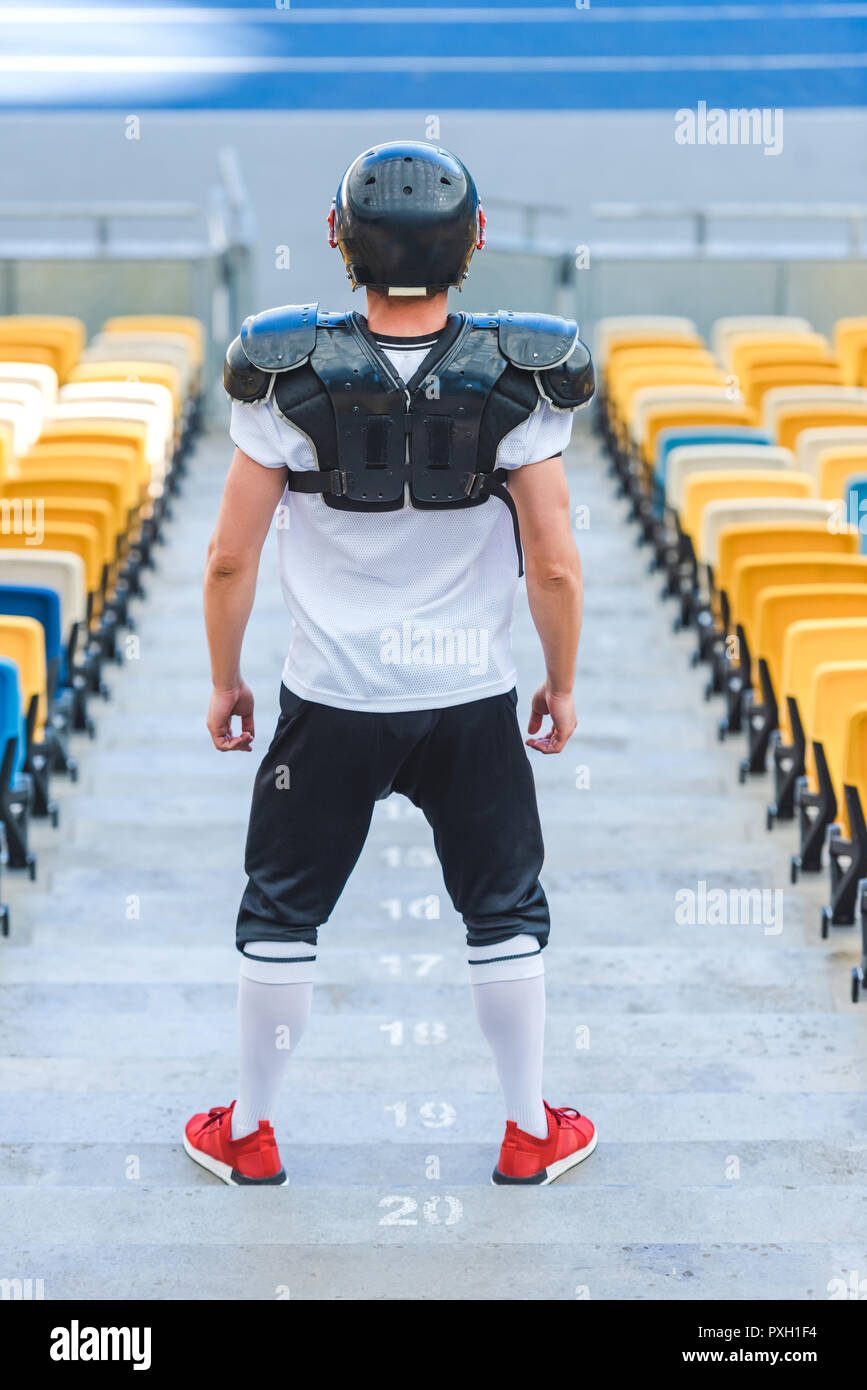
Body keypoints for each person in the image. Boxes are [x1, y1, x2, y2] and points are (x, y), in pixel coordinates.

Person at [184, 139, 596, 1187]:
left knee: (281, 913)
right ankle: (524, 1130)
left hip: (329, 699)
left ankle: (252, 1132)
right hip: (468, 698)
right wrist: (563, 682)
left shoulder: (282, 376)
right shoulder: (522, 371)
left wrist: (225, 680)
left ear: (338, 239)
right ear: (476, 243)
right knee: (504, 911)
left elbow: (230, 555)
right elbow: (554, 566)